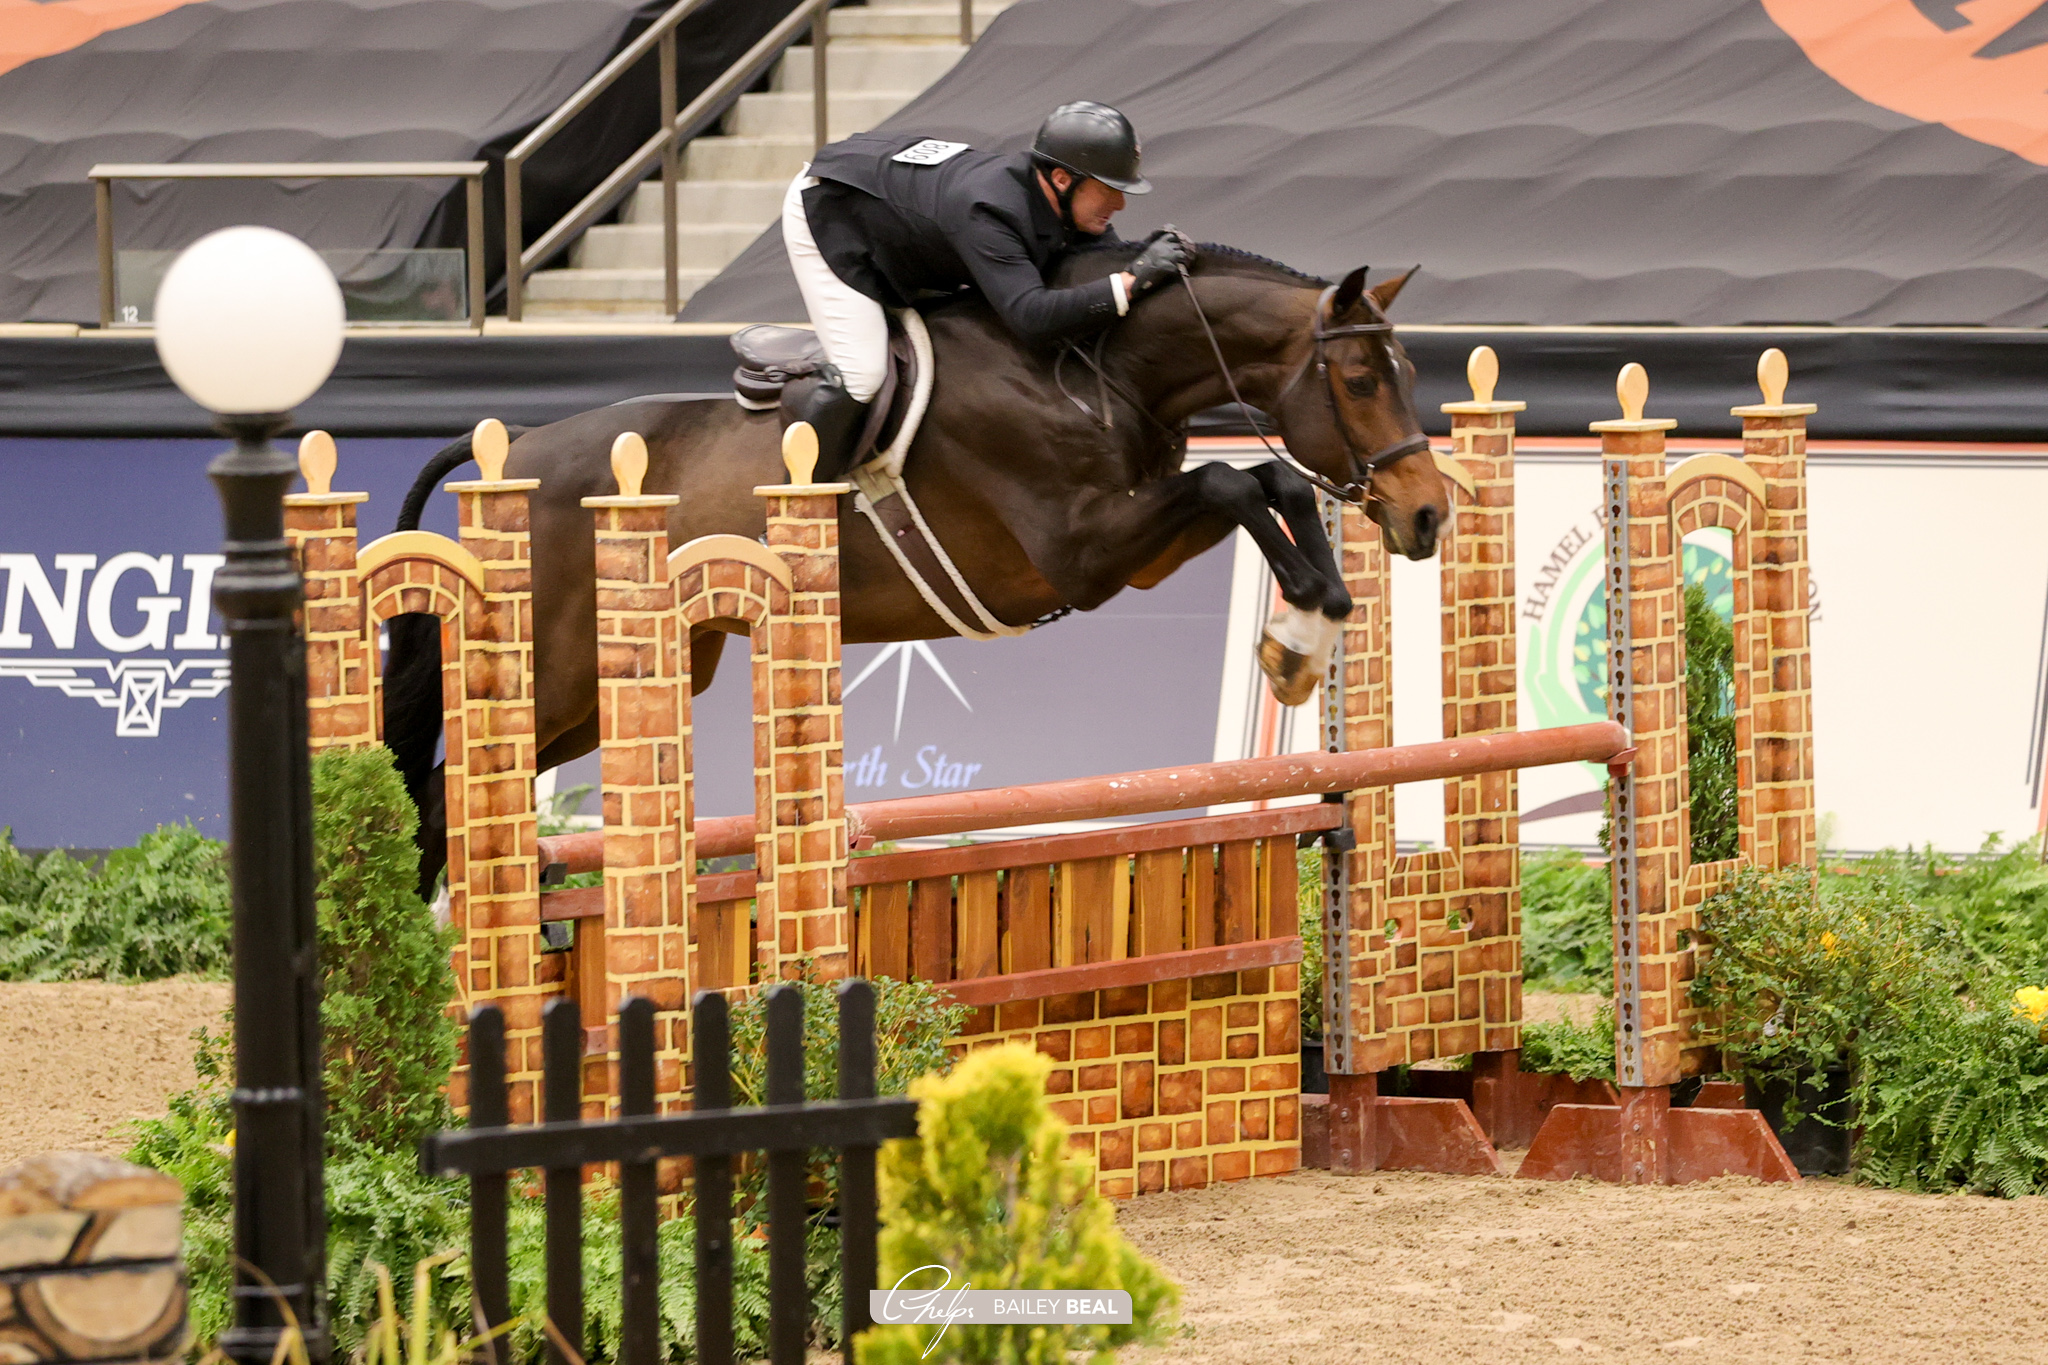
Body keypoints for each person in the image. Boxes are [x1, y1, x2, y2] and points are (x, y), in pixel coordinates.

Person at [782, 99, 1193, 479]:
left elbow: (1105, 266)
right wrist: (1133, 280)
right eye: (1109, 189)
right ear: (1062, 179)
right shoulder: (989, 210)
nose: (1120, 204)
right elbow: (1031, 317)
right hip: (831, 212)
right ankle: (793, 505)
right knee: (863, 375)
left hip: (897, 207)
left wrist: (1143, 260)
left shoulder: (1054, 197)